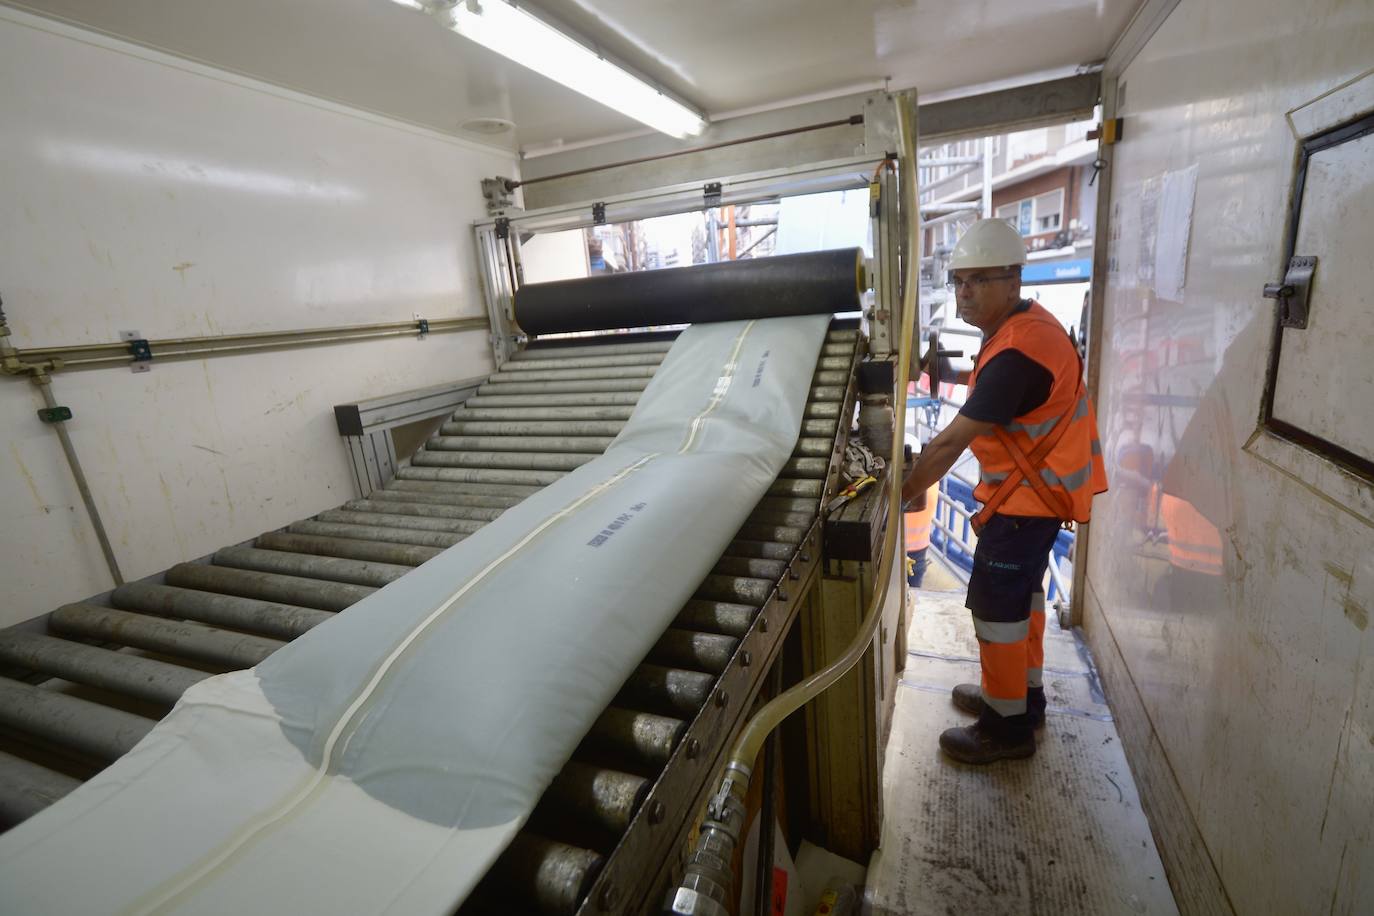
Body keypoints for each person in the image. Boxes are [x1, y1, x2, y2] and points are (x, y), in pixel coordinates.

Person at [901, 219, 1107, 764]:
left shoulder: (1017, 352)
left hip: (1024, 506)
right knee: (1021, 606)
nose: (963, 292)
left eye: (977, 281)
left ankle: (1004, 729)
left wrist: (899, 493)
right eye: (958, 281)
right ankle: (1020, 700)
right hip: (1033, 500)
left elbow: (947, 448)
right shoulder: (1026, 327)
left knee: (997, 608)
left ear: (1013, 281)